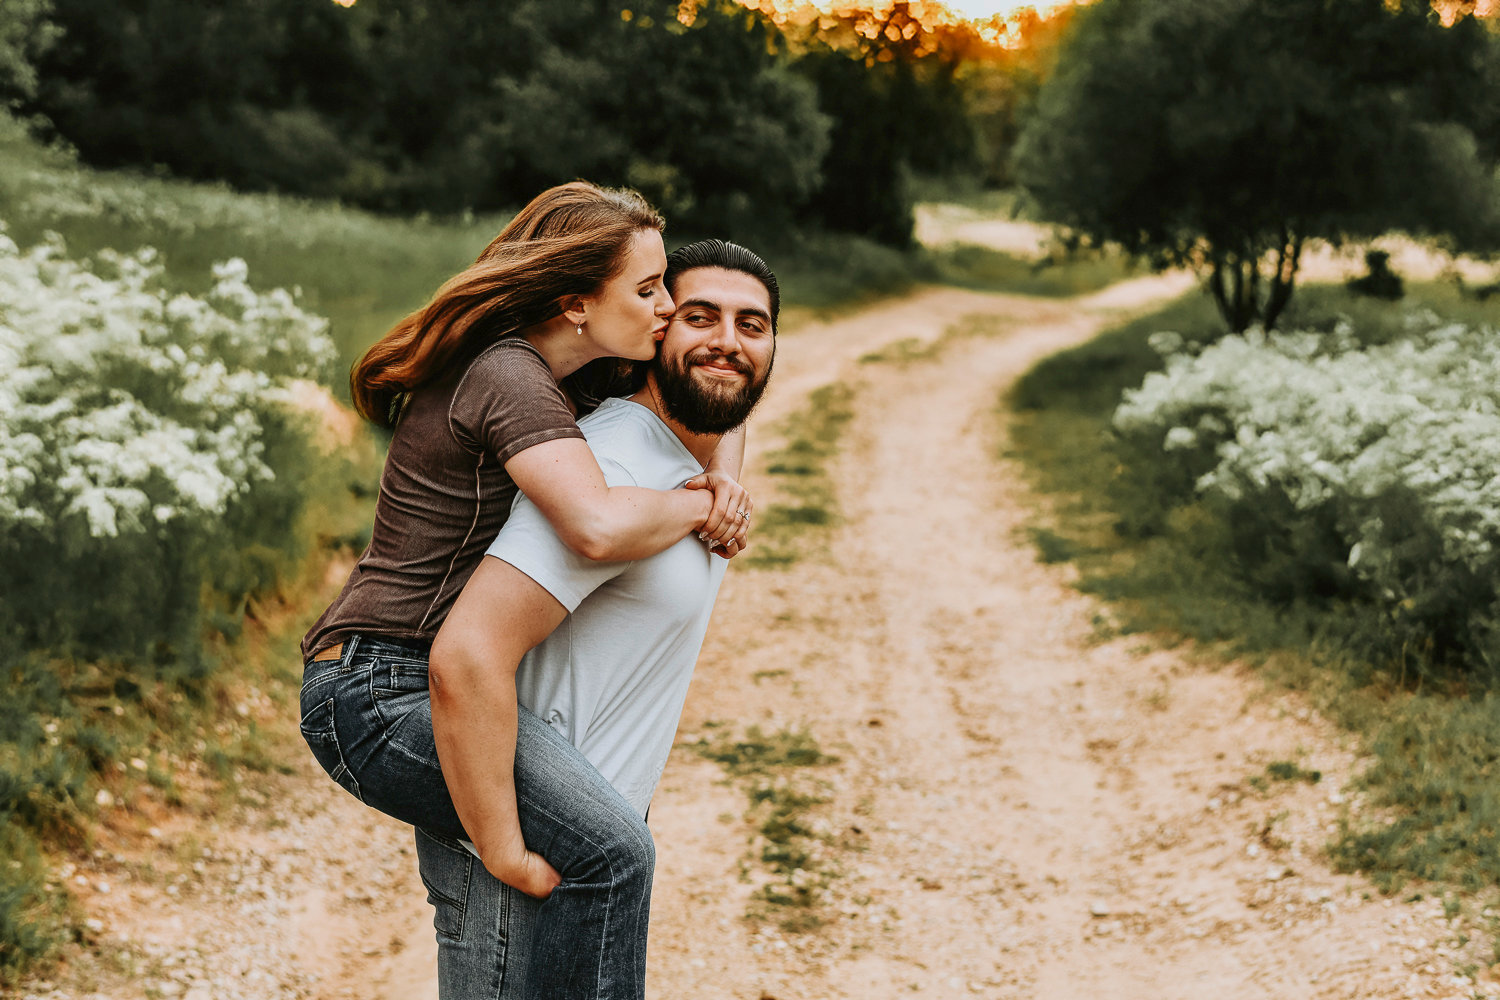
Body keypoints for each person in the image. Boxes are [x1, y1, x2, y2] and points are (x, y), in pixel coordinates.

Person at [297, 187, 754, 997]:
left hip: (404, 677)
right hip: (376, 691)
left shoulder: (572, 370)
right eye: (648, 290)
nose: (665, 308)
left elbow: (721, 392)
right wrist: (700, 506)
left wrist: (722, 472)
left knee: (602, 850)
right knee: (613, 851)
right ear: (577, 303)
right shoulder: (510, 375)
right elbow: (596, 526)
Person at [423, 239, 778, 997]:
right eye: (701, 317)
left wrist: (722, 476)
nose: (727, 341)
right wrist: (507, 845)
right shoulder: (611, 465)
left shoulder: (686, 457)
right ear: (657, 329)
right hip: (536, 849)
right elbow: (469, 653)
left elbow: (723, 404)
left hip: (591, 839)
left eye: (752, 326)